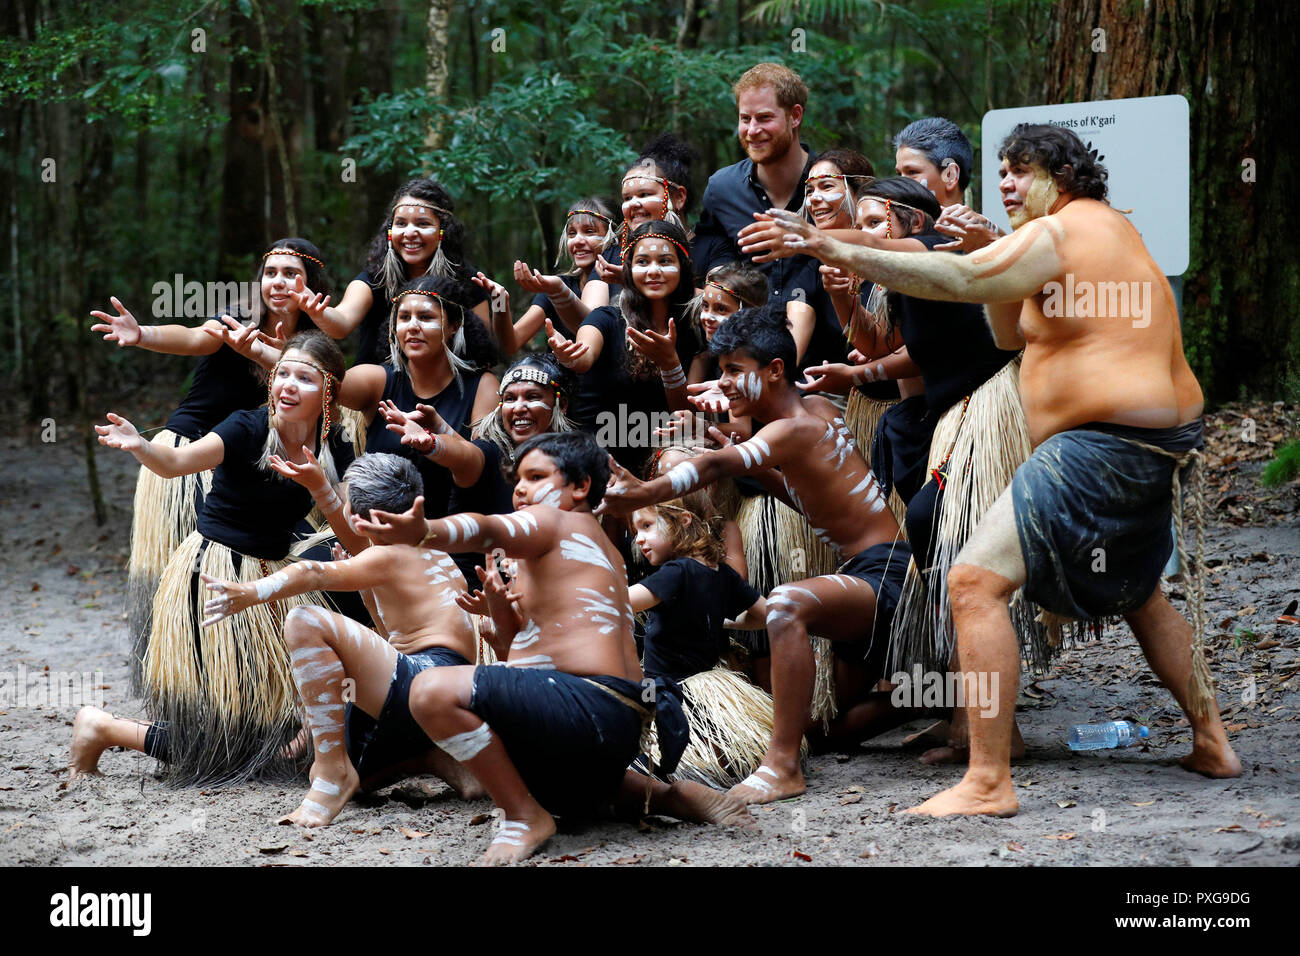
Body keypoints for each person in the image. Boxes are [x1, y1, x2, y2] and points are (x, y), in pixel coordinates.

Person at [762, 122, 1242, 817]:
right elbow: (1009, 331)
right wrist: (992, 255)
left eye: (1022, 171)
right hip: (1147, 442)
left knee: (973, 580)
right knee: (1139, 594)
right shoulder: (1095, 234)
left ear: (1066, 176)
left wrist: (831, 245)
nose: (1008, 184)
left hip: (1101, 445)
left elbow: (958, 281)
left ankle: (988, 778)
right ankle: (1213, 740)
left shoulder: (1065, 229)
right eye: (1004, 171)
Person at [352, 432, 754, 862]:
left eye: (536, 476)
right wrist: (499, 607)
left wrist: (425, 530)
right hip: (609, 726)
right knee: (564, 799)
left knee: (429, 690)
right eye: (517, 479)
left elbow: (488, 527)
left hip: (588, 707)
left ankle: (522, 815)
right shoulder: (590, 552)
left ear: (580, 487)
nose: (520, 489)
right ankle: (667, 796)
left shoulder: (555, 521)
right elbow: (516, 653)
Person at [601, 308, 913, 804]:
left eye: (733, 369)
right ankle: (938, 695)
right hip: (867, 571)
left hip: (887, 573)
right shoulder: (816, 412)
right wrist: (734, 444)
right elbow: (809, 495)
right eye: (720, 368)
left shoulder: (791, 430)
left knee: (788, 604)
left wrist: (645, 492)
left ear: (772, 370)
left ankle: (782, 767)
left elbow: (719, 465)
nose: (724, 382)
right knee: (820, 729)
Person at [71, 331, 356, 785]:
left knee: (264, 743)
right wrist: (141, 445)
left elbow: (353, 540)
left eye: (303, 377)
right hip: (213, 578)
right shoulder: (246, 426)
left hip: (271, 582)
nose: (286, 384)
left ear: (328, 391)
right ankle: (103, 727)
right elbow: (176, 463)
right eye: (281, 373)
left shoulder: (335, 445)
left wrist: (321, 486)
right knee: (225, 749)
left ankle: (301, 736)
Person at [196, 452, 483, 826]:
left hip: (429, 678)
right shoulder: (427, 550)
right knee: (360, 776)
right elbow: (395, 637)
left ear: (363, 521)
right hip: (443, 684)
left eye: (346, 504)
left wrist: (252, 591)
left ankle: (332, 773)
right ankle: (431, 757)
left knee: (304, 621)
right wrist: (367, 595)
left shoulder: (388, 556)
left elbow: (312, 573)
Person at [90, 238, 328, 683]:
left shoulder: (310, 346)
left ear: (311, 284)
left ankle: (230, 673)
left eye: (291, 273)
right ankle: (167, 671)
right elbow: (193, 339)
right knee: (177, 573)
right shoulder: (236, 318)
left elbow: (327, 390)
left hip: (235, 464)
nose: (279, 282)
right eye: (270, 272)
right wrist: (144, 335)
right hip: (186, 454)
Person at [629, 497, 783, 789]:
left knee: (643, 760)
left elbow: (626, 601)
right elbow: (766, 614)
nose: (639, 539)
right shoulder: (721, 572)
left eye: (647, 526)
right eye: (637, 530)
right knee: (719, 745)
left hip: (670, 691)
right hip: (709, 687)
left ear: (684, 520)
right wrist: (726, 621)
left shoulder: (676, 572)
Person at [551, 220, 701, 472]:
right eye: (642, 262)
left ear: (682, 268)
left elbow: (685, 418)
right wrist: (571, 358)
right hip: (599, 461)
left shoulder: (696, 330)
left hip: (664, 461)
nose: (653, 271)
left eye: (665, 261)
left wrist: (670, 363)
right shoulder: (606, 319)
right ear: (629, 269)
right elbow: (584, 354)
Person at [294, 178, 492, 367]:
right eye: (401, 223)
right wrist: (318, 312)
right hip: (378, 389)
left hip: (449, 389)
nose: (409, 233)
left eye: (423, 224)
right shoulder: (374, 278)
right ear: (390, 230)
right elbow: (342, 322)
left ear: (443, 230)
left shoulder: (466, 280)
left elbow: (484, 346)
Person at [694, 63, 819, 308]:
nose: (752, 130)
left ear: (795, 115)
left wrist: (804, 239)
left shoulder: (834, 184)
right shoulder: (722, 188)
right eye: (745, 119)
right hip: (746, 338)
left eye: (764, 118)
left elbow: (867, 248)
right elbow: (709, 258)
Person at [496, 198, 615, 354]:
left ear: (613, 236)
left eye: (589, 231)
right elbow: (510, 344)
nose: (577, 241)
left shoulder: (623, 284)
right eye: (572, 233)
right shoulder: (557, 284)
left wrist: (558, 292)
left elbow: (593, 325)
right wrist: (499, 302)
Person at [596, 134, 700, 287]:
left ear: (678, 197)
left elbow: (725, 304)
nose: (633, 204)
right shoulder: (612, 256)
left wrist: (633, 282)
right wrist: (558, 292)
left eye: (644, 194)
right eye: (627, 198)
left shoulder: (711, 246)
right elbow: (592, 310)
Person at [894, 116, 1002, 253]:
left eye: (912, 172)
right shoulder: (890, 229)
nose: (900, 183)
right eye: (899, 174)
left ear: (950, 175)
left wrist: (993, 232)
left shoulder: (985, 242)